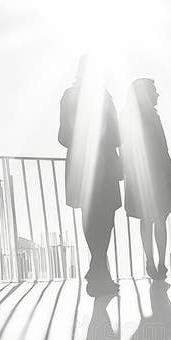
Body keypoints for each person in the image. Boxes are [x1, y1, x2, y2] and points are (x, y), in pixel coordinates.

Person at [59, 57, 122, 297]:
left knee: (93, 218)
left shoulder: (70, 96)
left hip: (81, 166)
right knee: (104, 219)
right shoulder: (104, 97)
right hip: (103, 165)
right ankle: (98, 272)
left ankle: (97, 271)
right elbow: (117, 135)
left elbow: (63, 136)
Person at [120, 78, 171, 279]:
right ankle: (157, 262)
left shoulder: (136, 116)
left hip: (146, 173)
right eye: (154, 90)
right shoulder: (141, 117)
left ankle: (154, 262)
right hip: (152, 173)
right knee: (157, 219)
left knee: (151, 219)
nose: (157, 94)